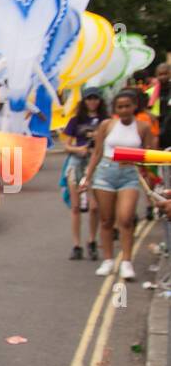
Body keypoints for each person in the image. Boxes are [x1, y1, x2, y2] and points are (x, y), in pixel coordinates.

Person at [80, 89, 158, 280]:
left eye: (127, 106)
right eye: (119, 107)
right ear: (115, 109)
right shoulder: (107, 125)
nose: (124, 110)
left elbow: (149, 156)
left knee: (125, 219)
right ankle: (108, 260)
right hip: (105, 173)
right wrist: (87, 177)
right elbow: (97, 153)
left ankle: (126, 262)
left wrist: (149, 177)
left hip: (129, 176)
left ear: (134, 107)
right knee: (106, 220)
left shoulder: (142, 127)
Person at [61, 88, 106, 260]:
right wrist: (77, 149)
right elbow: (67, 145)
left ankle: (92, 241)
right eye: (89, 99)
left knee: (94, 206)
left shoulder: (105, 121)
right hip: (76, 162)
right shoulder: (76, 120)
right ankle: (76, 245)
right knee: (75, 207)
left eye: (95, 98)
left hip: (96, 163)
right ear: (84, 101)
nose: (92, 101)